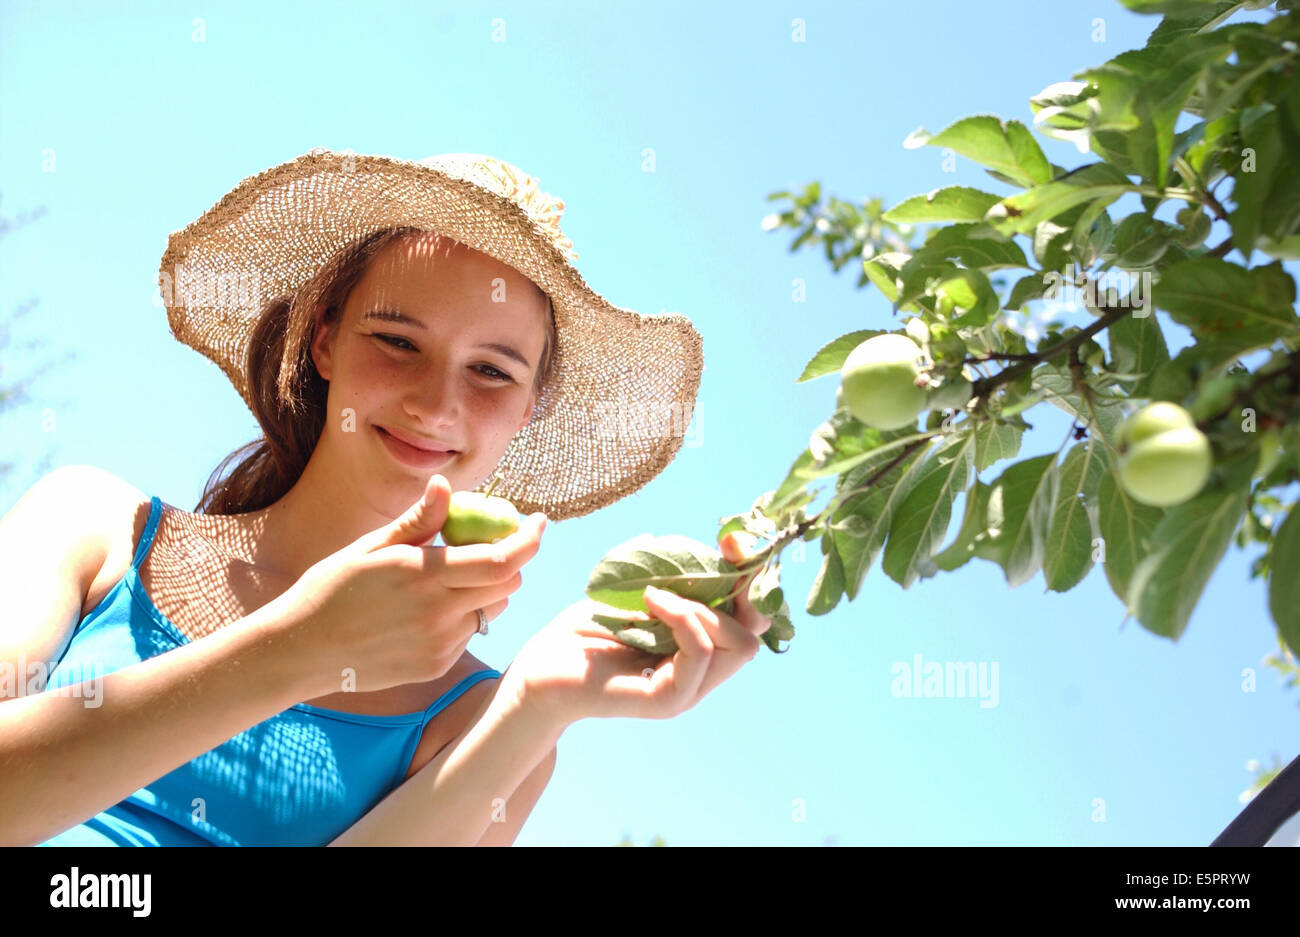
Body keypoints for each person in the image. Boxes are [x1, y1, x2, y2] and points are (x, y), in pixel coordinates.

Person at [3, 150, 771, 847]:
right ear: (325, 338)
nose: (436, 406)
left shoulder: (476, 721)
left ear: (532, 406)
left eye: (493, 371)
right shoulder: (93, 526)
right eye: (398, 342)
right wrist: (301, 650)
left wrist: (537, 704)